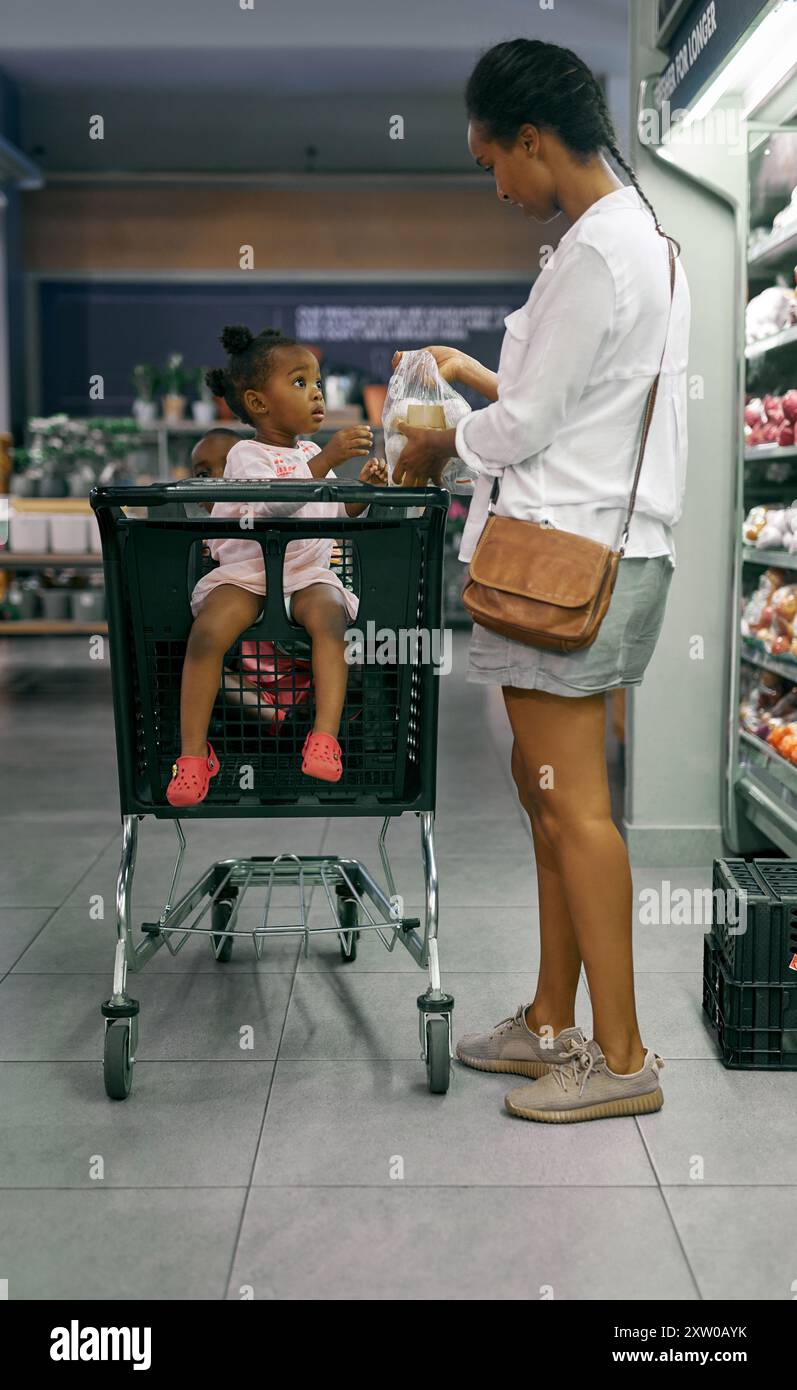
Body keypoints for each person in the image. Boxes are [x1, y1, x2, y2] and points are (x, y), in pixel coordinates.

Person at [391, 39, 690, 1123]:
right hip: (571, 549)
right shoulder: (618, 240)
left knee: (576, 809)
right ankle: (549, 1020)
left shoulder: (599, 251)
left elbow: (527, 425)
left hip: (565, 561)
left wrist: (439, 442)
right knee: (546, 794)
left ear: (528, 138)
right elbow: (569, 390)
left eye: (489, 165)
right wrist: (480, 377)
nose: (496, 187)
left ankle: (620, 1059)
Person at [167, 325, 387, 804]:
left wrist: (365, 491)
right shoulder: (247, 454)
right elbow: (273, 504)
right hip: (246, 574)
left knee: (332, 623)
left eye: (317, 383)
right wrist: (327, 459)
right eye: (299, 382)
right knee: (207, 634)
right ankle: (191, 755)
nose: (315, 393)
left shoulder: (310, 453)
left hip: (306, 574)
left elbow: (333, 510)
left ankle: (324, 738)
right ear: (259, 403)